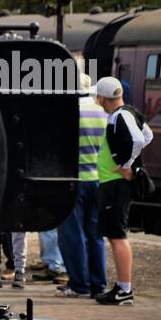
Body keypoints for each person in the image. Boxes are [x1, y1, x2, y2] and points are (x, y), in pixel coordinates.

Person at [94, 76, 153, 305]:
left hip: (115, 183)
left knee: (118, 235)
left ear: (101, 98)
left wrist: (127, 165)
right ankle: (121, 286)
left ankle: (125, 289)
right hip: (113, 183)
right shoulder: (127, 113)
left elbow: (139, 140)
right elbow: (148, 135)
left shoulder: (120, 116)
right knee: (115, 234)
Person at [56, 79, 109, 298]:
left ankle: (80, 285)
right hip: (98, 180)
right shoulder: (103, 114)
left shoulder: (67, 114)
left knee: (72, 235)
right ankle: (99, 284)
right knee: (96, 234)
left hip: (73, 181)